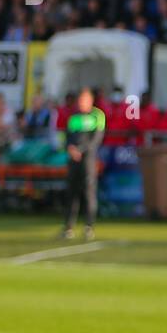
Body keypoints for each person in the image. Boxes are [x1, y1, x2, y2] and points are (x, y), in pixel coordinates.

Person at [61, 88, 104, 240]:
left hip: (88, 160)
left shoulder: (97, 116)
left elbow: (96, 139)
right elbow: (67, 137)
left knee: (88, 193)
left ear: (90, 100)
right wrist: (70, 149)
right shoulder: (73, 117)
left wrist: (80, 150)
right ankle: (68, 227)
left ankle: (89, 226)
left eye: (84, 99)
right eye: (80, 100)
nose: (81, 103)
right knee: (71, 193)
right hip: (73, 160)